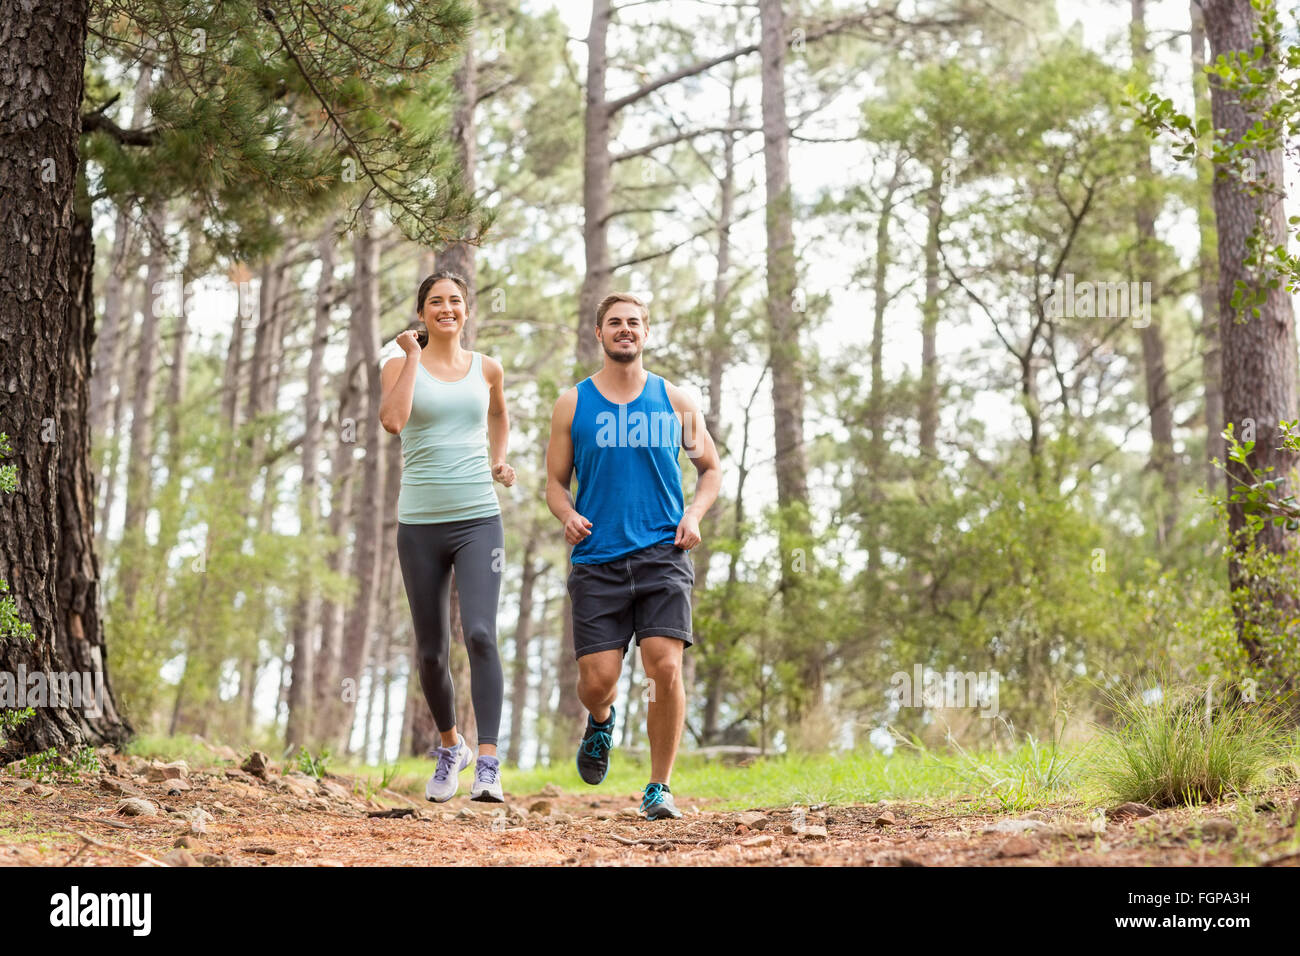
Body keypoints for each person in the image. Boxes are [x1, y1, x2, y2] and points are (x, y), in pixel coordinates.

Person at [545, 292, 722, 820]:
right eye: (615, 323)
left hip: (661, 554)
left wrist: (692, 516)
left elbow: (710, 468)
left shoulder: (676, 400)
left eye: (635, 323)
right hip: (596, 558)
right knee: (598, 680)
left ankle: (659, 787)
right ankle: (601, 719)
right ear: (598, 333)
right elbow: (554, 483)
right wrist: (566, 514)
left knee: (664, 666)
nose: (626, 329)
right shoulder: (572, 403)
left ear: (646, 333)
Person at [378, 270, 516, 803]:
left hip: (479, 518)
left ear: (467, 310)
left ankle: (487, 760)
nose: (447, 308)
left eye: (455, 301)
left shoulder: (487, 368)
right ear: (421, 313)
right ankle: (450, 744)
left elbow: (500, 414)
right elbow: (392, 421)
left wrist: (499, 459)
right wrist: (412, 357)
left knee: (480, 633)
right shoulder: (396, 363)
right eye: (436, 301)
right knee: (432, 651)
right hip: (419, 524)